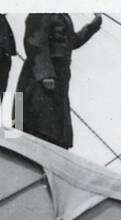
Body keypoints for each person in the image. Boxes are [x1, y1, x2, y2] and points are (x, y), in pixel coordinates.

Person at [13, 13, 102, 150]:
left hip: (57, 78)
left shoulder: (62, 15)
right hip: (40, 80)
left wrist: (93, 26)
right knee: (39, 124)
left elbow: (72, 41)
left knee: (54, 129)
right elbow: (34, 41)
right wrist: (45, 74)